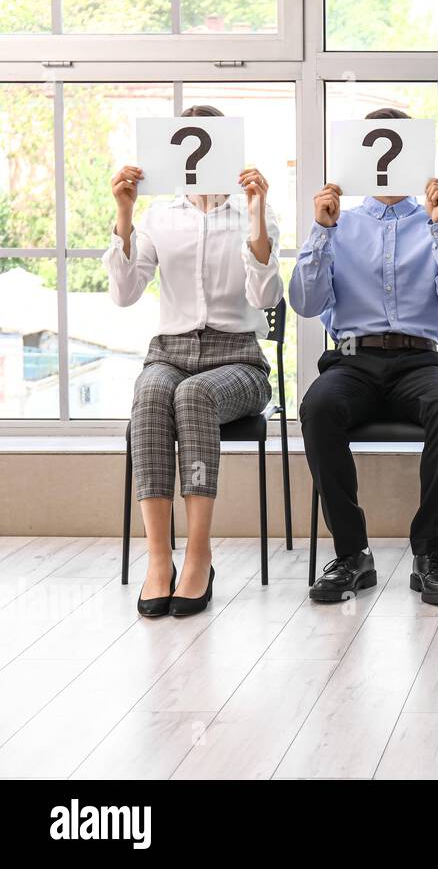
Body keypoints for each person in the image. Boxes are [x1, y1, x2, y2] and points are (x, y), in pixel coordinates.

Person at [291, 108, 438, 607]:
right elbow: (306, 305)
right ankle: (352, 554)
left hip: (420, 363)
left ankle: (432, 555)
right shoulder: (338, 224)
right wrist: (321, 234)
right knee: (317, 408)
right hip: (352, 361)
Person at [107, 104, 281, 618]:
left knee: (194, 395)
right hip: (170, 352)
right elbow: (124, 294)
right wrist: (124, 215)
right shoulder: (161, 216)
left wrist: (256, 216)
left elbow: (267, 296)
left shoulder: (255, 213)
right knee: (153, 393)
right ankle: (159, 558)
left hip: (239, 362)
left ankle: (199, 556)